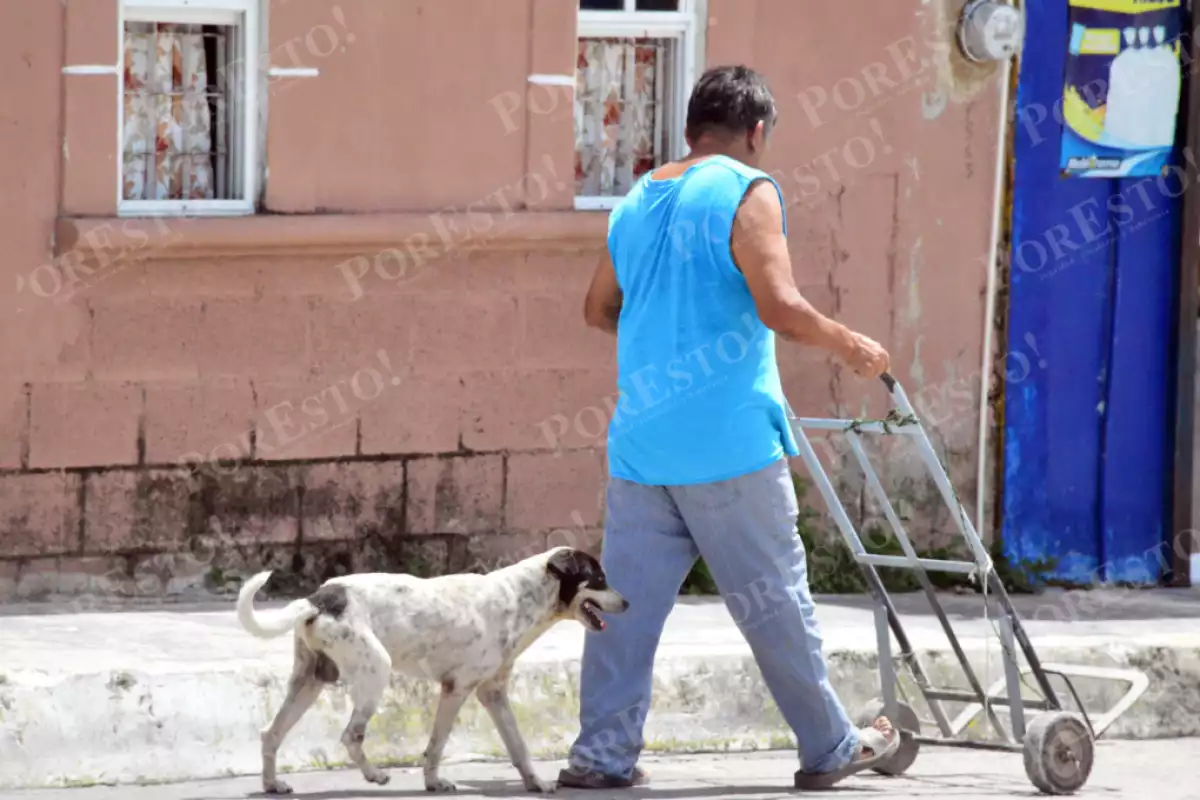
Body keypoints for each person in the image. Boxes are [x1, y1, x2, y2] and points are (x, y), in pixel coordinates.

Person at [557, 65, 899, 791]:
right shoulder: (750, 189)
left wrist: (661, 334)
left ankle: (599, 759)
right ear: (756, 132)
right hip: (728, 446)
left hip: (643, 446)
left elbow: (596, 311)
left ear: (688, 129)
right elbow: (779, 305)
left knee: (622, 613)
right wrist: (851, 345)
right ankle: (830, 746)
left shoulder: (637, 201)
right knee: (775, 599)